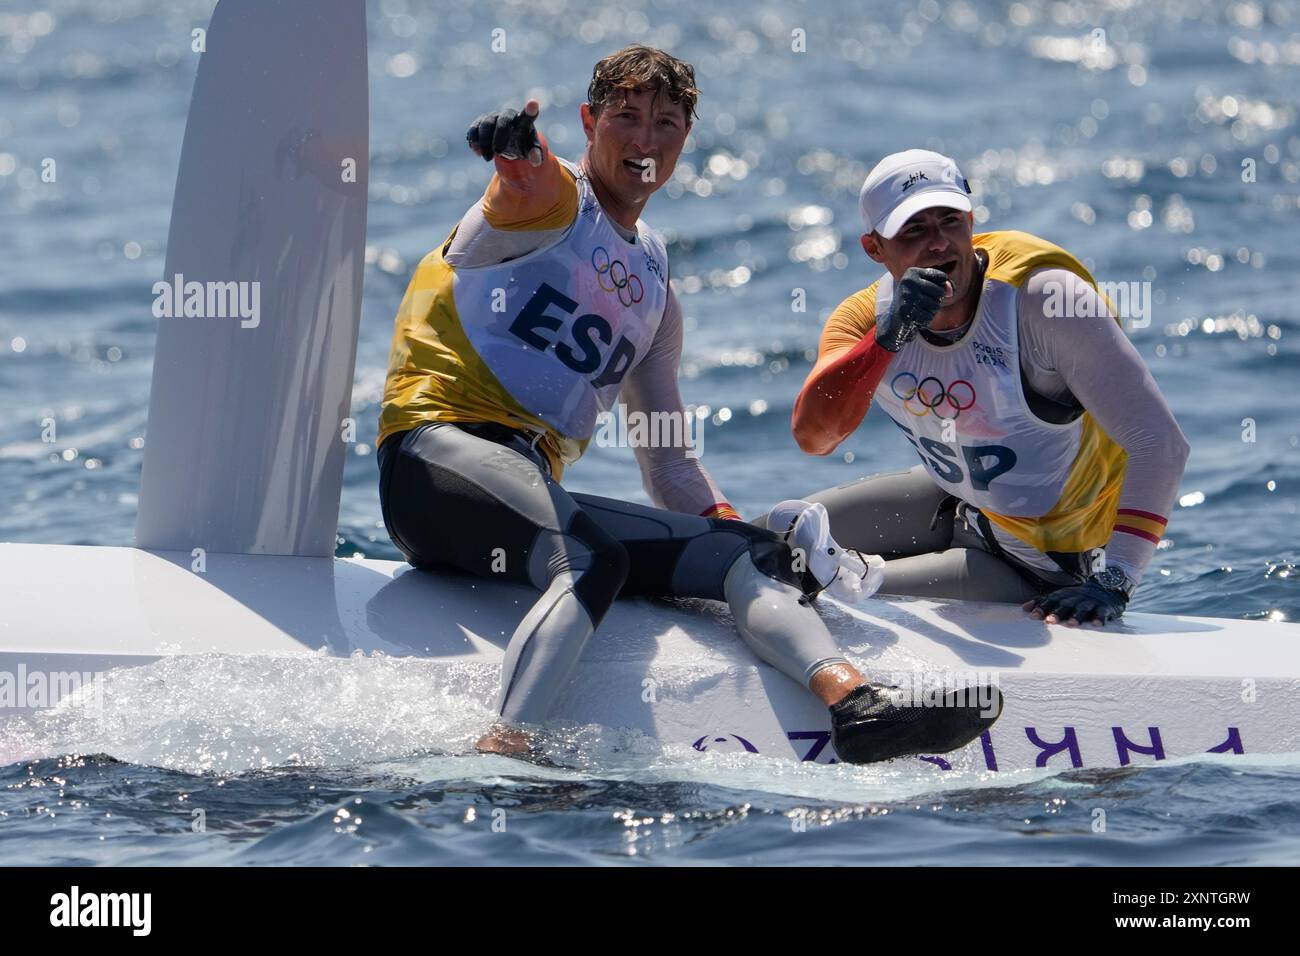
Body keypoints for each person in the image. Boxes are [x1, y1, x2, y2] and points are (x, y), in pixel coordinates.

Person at [376, 48, 1000, 764]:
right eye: (627, 118)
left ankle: (854, 704)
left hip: (525, 498)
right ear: (588, 122)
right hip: (431, 467)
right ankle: (503, 747)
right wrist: (514, 149)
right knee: (589, 557)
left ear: (683, 142)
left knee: (752, 555)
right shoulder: (548, 200)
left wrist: (739, 538)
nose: (645, 141)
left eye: (666, 124)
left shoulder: (655, 289)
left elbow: (669, 461)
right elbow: (523, 177)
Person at [782, 149, 1190, 626]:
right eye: (914, 230)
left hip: (1041, 562)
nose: (938, 245)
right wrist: (886, 341)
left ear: (971, 222)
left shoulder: (1045, 300)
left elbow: (1161, 444)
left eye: (950, 222)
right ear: (875, 248)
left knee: (825, 588)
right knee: (777, 541)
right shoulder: (862, 318)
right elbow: (815, 438)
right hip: (957, 503)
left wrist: (1116, 581)